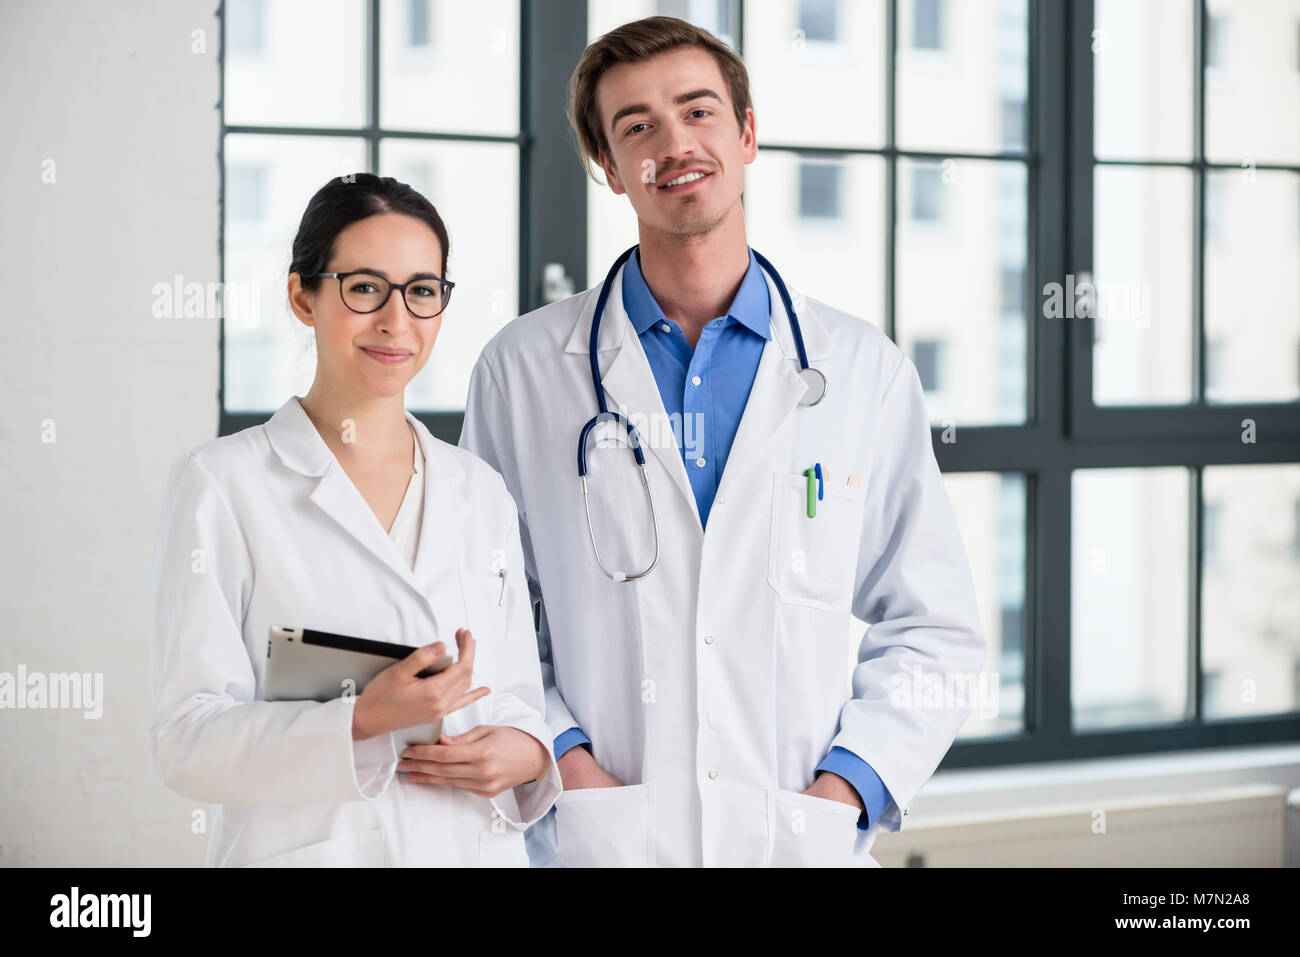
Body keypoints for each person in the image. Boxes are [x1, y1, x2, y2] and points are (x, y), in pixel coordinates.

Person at [460, 17, 987, 867]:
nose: (674, 144)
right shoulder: (520, 372)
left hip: (794, 840)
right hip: (603, 838)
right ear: (607, 166)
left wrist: (845, 788)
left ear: (745, 134)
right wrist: (568, 763)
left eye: (698, 111)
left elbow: (937, 629)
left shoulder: (862, 372)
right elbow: (485, 614)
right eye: (636, 126)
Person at [148, 173, 559, 867]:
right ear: (302, 295)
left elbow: (514, 696)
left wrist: (525, 750)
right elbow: (185, 741)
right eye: (365, 287)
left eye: (422, 291)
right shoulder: (223, 484)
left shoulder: (479, 489)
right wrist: (362, 719)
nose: (397, 321)